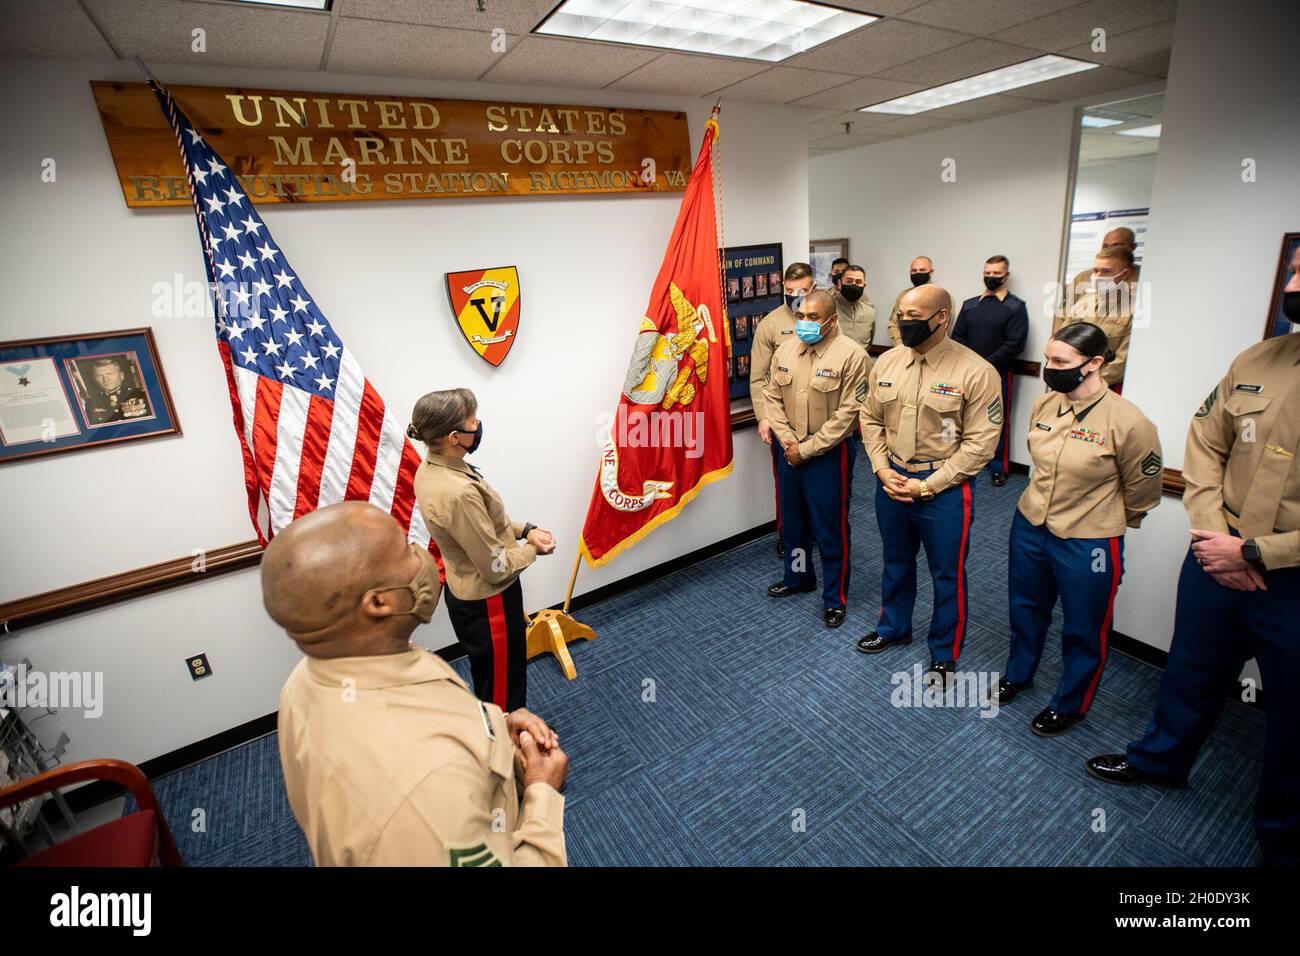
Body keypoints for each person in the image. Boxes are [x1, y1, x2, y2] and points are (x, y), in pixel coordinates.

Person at [1086, 258, 1300, 866]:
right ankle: (1161, 761)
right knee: (1191, 668)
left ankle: (1282, 840)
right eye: (1291, 271)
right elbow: (1207, 440)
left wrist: (1259, 552)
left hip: (1291, 577)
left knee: (1291, 722)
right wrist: (1213, 532)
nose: (1289, 287)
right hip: (1216, 551)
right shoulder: (1259, 360)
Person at [266, 501, 568, 867]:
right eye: (406, 550)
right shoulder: (429, 795)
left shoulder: (307, 680)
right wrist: (541, 794)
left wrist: (497, 730)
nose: (421, 556)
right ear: (378, 602)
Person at [999, 322, 1163, 736]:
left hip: (1089, 540)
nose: (1049, 368)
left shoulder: (1130, 422)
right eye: (1049, 358)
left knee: (1084, 625)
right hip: (1032, 522)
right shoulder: (1045, 405)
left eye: (1060, 362)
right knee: (1026, 609)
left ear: (1094, 363)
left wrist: (1102, 517)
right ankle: (1018, 674)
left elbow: (1143, 490)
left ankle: (1071, 703)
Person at [857, 284, 1001, 680]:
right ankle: (894, 627)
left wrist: (928, 485)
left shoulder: (976, 371)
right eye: (901, 314)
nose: (904, 324)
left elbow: (981, 444)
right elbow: (869, 418)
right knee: (896, 562)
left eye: (914, 317)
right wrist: (881, 468)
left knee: (947, 574)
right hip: (891, 479)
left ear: (942, 318)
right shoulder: (887, 362)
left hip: (945, 489)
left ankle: (944, 650)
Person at [410, 388, 555, 712]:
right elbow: (496, 567)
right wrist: (533, 549)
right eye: (471, 420)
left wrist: (526, 530)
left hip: (468, 594)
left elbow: (488, 522)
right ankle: (512, 752)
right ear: (453, 436)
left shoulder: (435, 468)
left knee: (491, 675)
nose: (478, 424)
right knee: (503, 684)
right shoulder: (458, 492)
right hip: (490, 603)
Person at [763, 289, 871, 629]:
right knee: (793, 527)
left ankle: (834, 597)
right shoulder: (785, 349)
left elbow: (849, 414)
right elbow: (771, 397)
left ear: (832, 320)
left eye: (813, 318)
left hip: (827, 455)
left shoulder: (852, 356)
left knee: (830, 530)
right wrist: (787, 440)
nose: (805, 324)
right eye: (801, 317)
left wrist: (806, 449)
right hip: (789, 450)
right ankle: (798, 577)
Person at [751, 262, 817, 557]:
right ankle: (788, 535)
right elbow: (758, 377)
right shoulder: (771, 324)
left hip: (819, 417)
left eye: (801, 291)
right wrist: (764, 416)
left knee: (822, 483)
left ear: (813, 288)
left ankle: (817, 531)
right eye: (790, 291)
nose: (795, 296)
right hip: (784, 419)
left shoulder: (826, 319)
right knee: (787, 485)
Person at [952, 255, 1029, 486]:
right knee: (959, 414)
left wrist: (984, 365)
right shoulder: (970, 304)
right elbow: (957, 338)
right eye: (988, 273)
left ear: (1006, 276)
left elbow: (1015, 344)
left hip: (999, 372)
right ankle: (959, 459)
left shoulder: (1016, 306)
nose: (991, 277)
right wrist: (971, 364)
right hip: (965, 372)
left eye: (996, 274)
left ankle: (998, 466)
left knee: (996, 419)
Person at [1054, 245, 1136, 393]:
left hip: (1105, 388)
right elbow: (1060, 341)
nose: (1098, 276)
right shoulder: (1084, 302)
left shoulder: (1133, 310)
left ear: (1125, 274)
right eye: (1096, 270)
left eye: (1106, 271)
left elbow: (1122, 362)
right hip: (1069, 381)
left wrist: (1090, 383)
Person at [1068, 226, 1140, 303]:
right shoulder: (1082, 278)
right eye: (1105, 246)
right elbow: (1066, 310)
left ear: (1132, 247)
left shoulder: (1144, 276)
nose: (1110, 250)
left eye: (1116, 246)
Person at [887, 256, 945, 346]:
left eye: (922, 270)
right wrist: (901, 346)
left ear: (931, 272)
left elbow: (942, 327)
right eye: (914, 271)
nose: (918, 273)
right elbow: (893, 324)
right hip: (904, 349)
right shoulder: (903, 296)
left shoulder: (941, 297)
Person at [80, 357, 150, 424]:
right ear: (95, 380)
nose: (105, 379)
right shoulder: (91, 403)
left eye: (109, 374)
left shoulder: (141, 395)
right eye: (99, 376)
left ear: (121, 375)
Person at [834, 264, 876, 350]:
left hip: (861, 362)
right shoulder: (828, 308)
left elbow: (869, 344)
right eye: (849, 281)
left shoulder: (870, 312)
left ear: (864, 285)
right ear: (839, 284)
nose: (854, 284)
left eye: (858, 282)